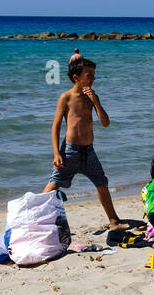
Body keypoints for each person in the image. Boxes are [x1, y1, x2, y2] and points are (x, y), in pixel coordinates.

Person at [43, 57, 125, 227]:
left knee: (102, 183)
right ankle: (36, 217)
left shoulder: (92, 97)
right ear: (76, 77)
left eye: (94, 75)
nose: (93, 79)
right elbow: (56, 126)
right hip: (69, 152)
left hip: (89, 152)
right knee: (53, 184)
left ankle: (114, 220)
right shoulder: (66, 97)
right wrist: (56, 153)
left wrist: (95, 101)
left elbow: (105, 122)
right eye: (89, 75)